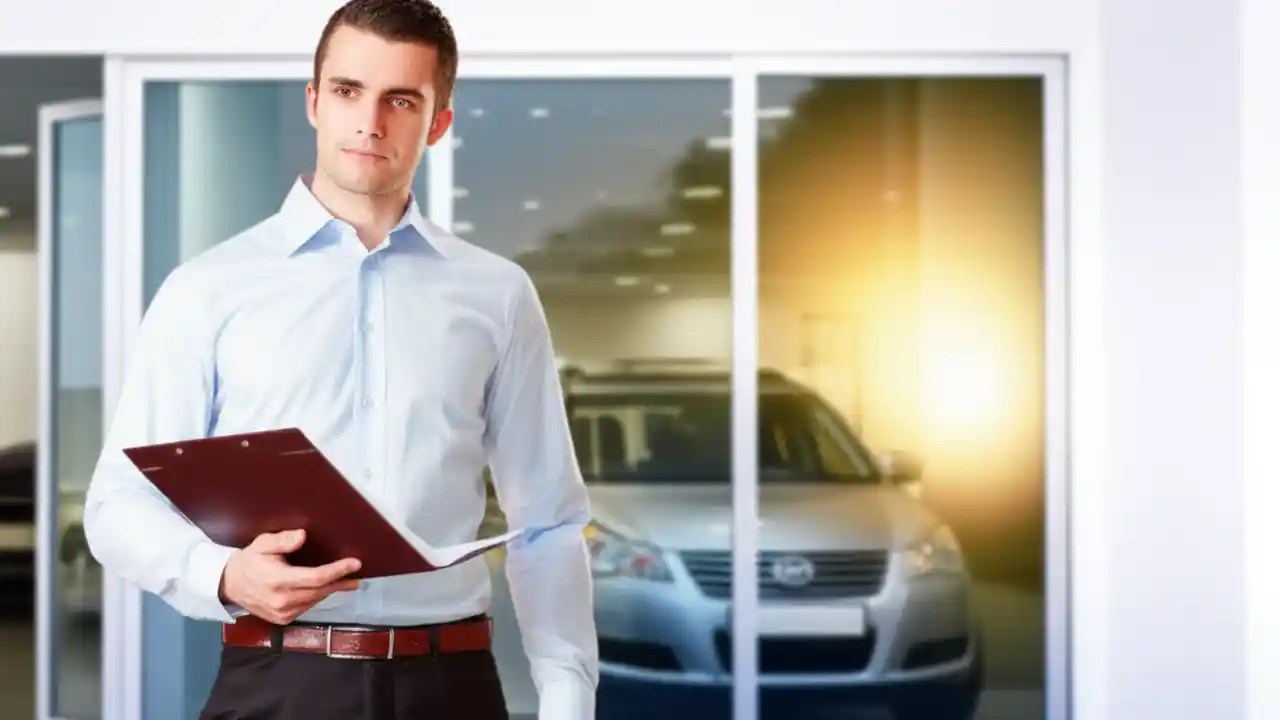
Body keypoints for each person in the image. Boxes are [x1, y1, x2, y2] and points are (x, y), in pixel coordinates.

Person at [82, 1, 598, 717]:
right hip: (276, 679)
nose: (370, 122)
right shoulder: (208, 289)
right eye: (349, 91)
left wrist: (568, 698)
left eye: (401, 99)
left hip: (451, 685)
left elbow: (548, 520)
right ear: (314, 101)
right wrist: (226, 573)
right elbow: (118, 505)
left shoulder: (498, 294)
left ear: (437, 122)